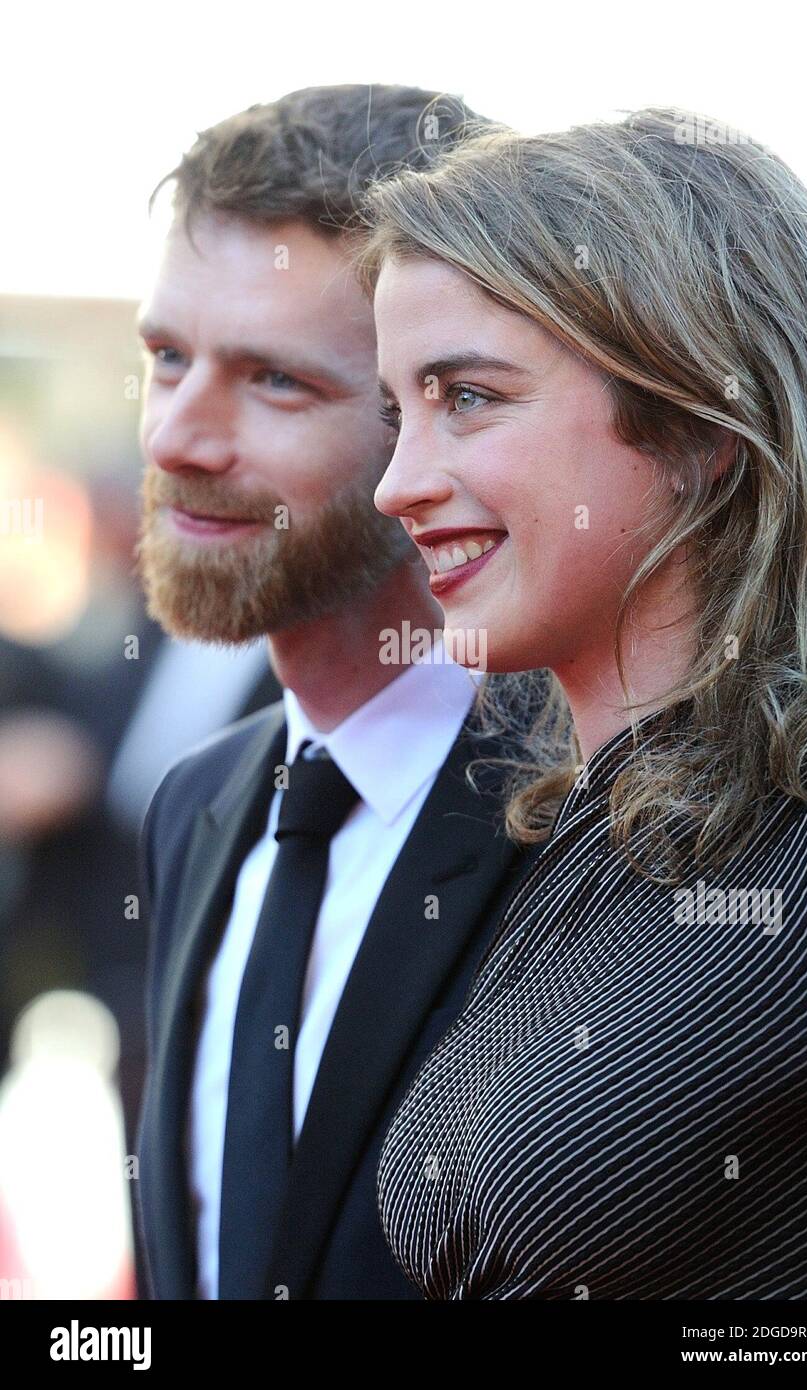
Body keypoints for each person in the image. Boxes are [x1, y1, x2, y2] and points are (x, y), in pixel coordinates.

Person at [359, 106, 807, 1299]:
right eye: (397, 411)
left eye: (467, 397)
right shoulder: (597, 833)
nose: (397, 484)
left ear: (698, 422)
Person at [133, 83, 542, 1301]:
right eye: (165, 359)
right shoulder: (197, 806)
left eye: (273, 382)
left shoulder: (601, 813)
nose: (176, 438)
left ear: (437, 416)